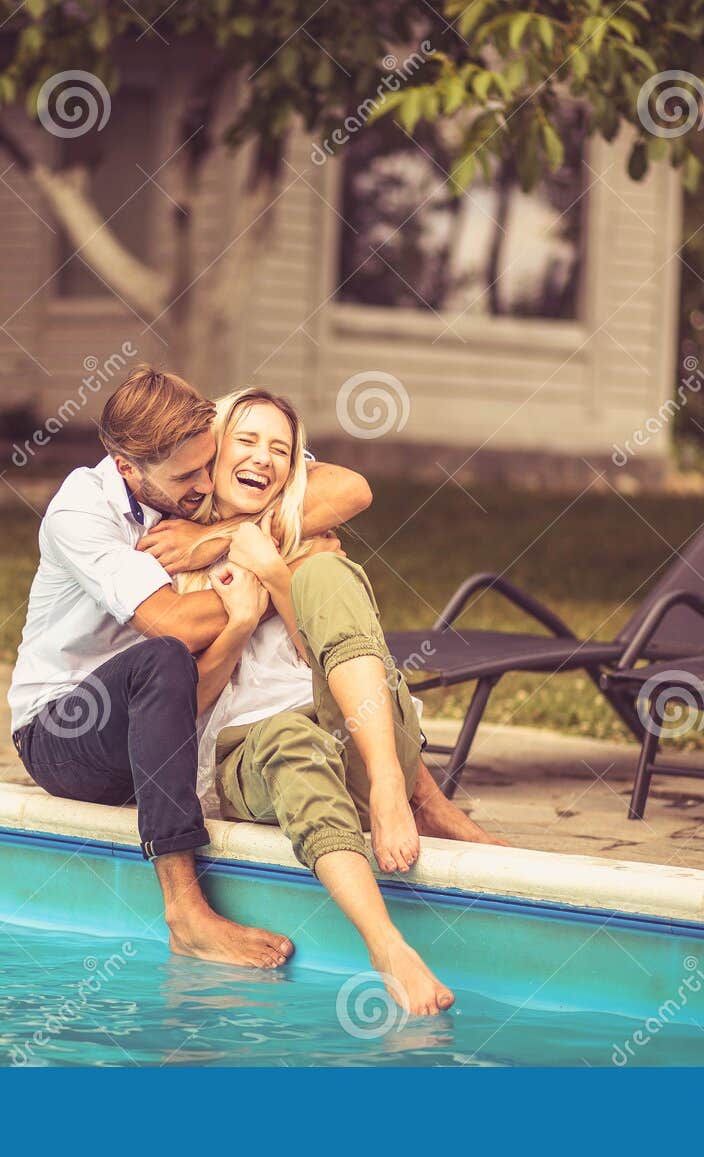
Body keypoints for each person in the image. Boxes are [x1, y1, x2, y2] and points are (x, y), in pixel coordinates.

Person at [8, 366, 372, 969]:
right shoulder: (81, 512)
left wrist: (228, 533)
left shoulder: (193, 474)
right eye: (187, 477)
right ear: (127, 468)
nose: (205, 484)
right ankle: (185, 913)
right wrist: (274, 562)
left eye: (209, 464)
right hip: (65, 735)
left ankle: (413, 796)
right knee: (161, 656)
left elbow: (348, 489)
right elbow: (173, 623)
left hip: (168, 730)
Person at [169, 387, 507, 1016]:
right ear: (211, 454)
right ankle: (387, 948)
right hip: (256, 761)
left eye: (280, 448)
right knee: (285, 737)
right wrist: (238, 617)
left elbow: (313, 655)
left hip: (359, 739)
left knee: (328, 575)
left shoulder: (300, 536)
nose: (262, 458)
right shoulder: (170, 553)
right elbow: (177, 707)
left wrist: (273, 573)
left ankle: (390, 787)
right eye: (246, 441)